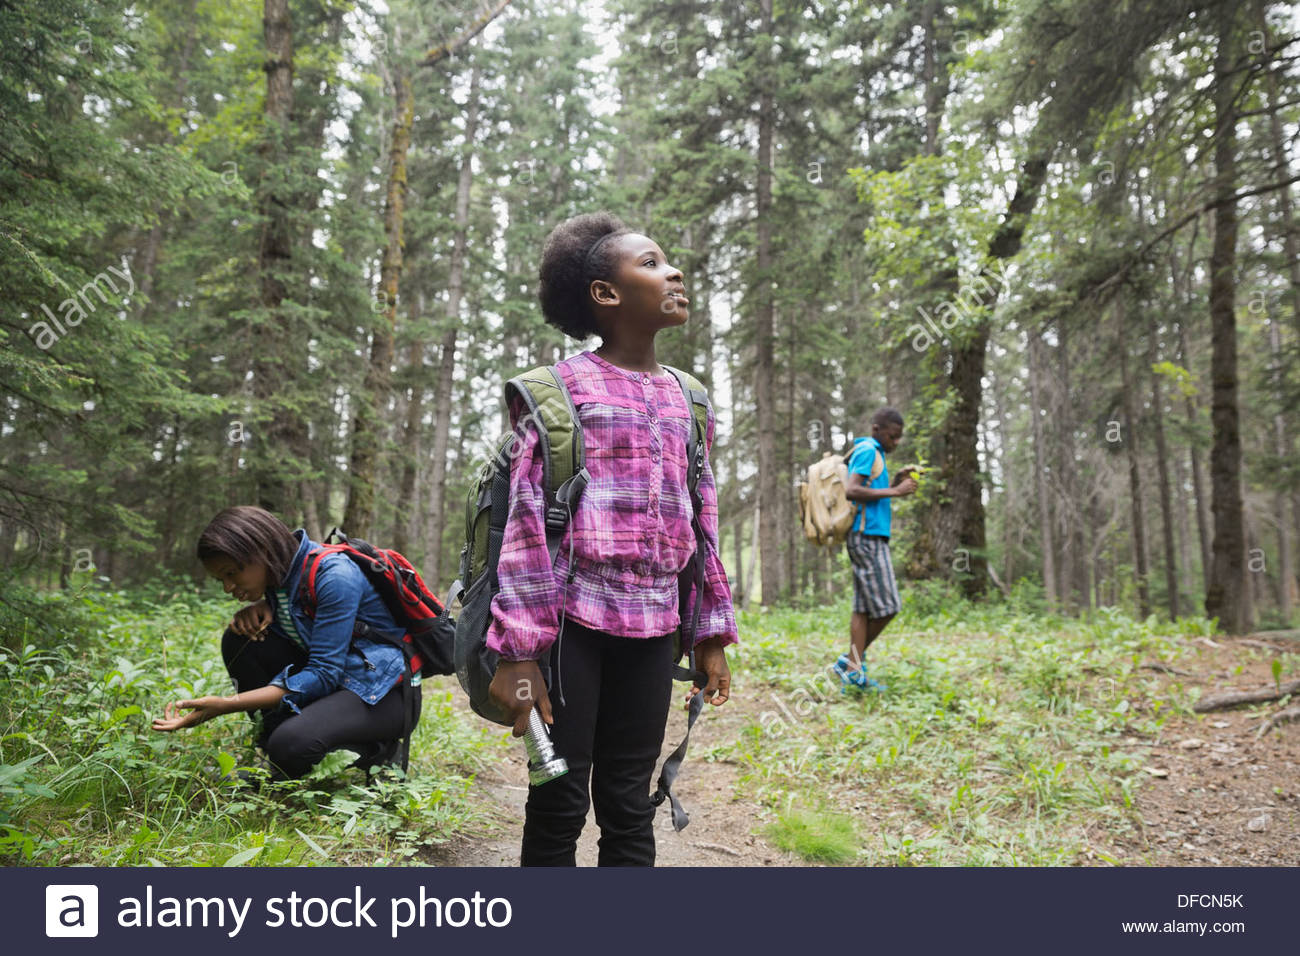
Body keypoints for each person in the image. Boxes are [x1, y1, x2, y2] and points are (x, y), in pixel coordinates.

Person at [487, 212, 738, 867]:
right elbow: (520, 527)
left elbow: (702, 520)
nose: (674, 271)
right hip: (571, 625)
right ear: (606, 294)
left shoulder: (692, 400)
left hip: (655, 626)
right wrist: (518, 656)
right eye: (652, 263)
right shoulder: (556, 393)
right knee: (559, 798)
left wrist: (710, 631)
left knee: (629, 804)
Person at [151, 506, 419, 780]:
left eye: (232, 573)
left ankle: (380, 752)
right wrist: (267, 606)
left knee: (289, 746)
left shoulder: (334, 576)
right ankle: (278, 753)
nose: (227, 588)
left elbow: (324, 673)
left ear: (263, 552)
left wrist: (227, 703)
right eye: (221, 579)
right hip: (342, 684)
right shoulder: (280, 581)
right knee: (240, 639)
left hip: (382, 695)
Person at [836, 407, 919, 692]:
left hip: (870, 536)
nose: (896, 442)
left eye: (899, 438)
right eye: (892, 436)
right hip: (867, 538)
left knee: (862, 608)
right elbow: (852, 490)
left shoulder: (876, 454)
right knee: (889, 607)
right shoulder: (868, 450)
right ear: (876, 429)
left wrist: (894, 482)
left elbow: (870, 495)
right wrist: (896, 491)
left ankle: (854, 672)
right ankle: (851, 663)